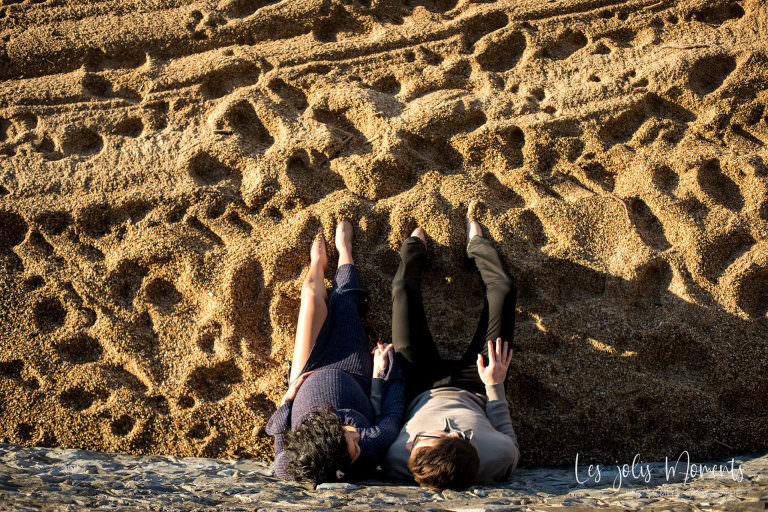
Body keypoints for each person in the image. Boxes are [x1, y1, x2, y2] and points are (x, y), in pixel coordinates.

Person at [384, 208, 520, 491]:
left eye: (413, 447)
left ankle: (414, 248)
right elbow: (506, 431)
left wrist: (382, 377)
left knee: (402, 290)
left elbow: (388, 417)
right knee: (504, 290)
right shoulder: (500, 456)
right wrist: (495, 385)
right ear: (458, 436)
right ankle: (477, 245)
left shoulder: (398, 459)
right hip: (478, 382)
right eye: (418, 440)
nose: (409, 442)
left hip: (419, 383)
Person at [266, 220, 405, 485]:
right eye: (354, 449)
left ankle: (317, 264)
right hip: (353, 369)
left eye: (350, 439)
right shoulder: (370, 447)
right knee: (344, 302)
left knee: (309, 296)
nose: (358, 439)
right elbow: (393, 413)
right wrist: (389, 369)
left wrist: (287, 401)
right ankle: (345, 251)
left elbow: (278, 433)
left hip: (306, 373)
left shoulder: (290, 466)